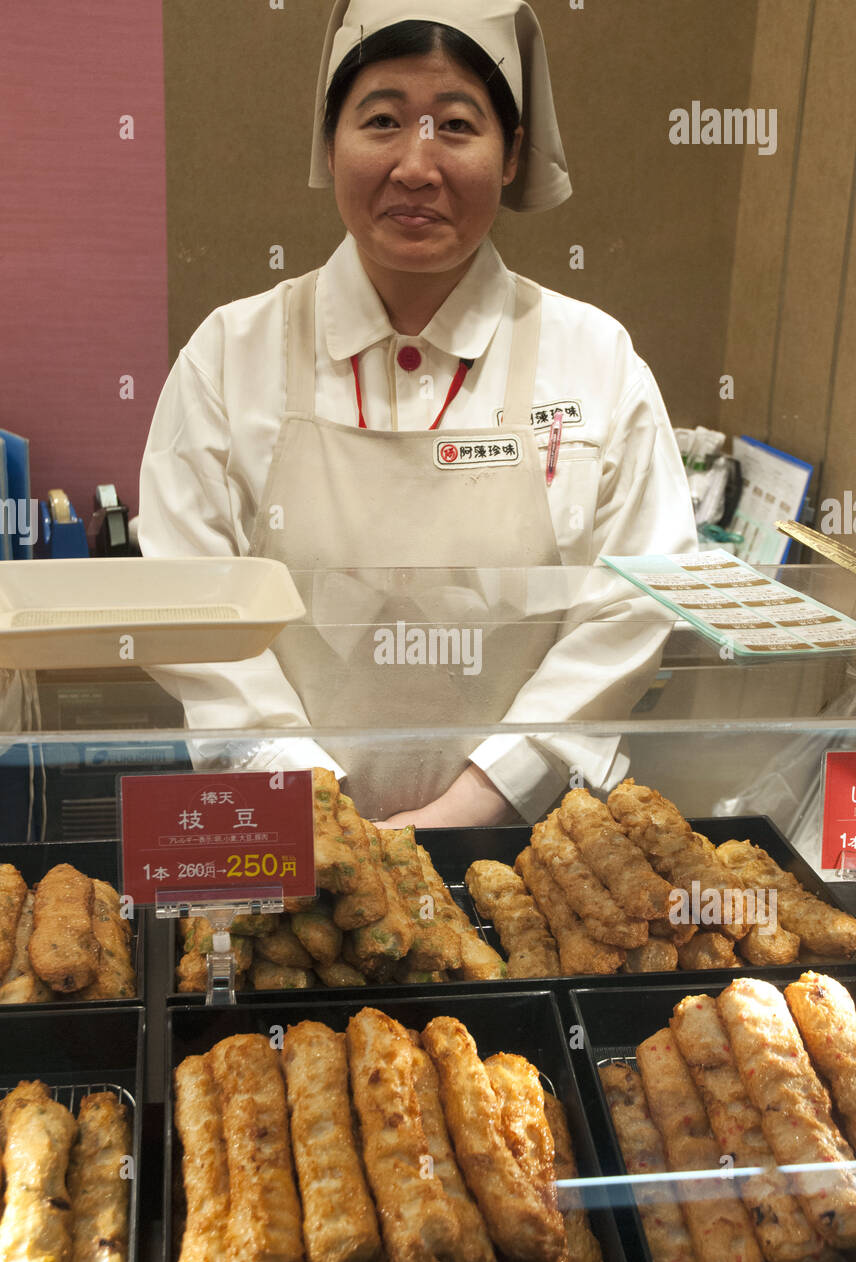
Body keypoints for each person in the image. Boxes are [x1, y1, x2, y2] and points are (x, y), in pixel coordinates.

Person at [138, 0, 696, 827]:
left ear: (510, 156)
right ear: (331, 144)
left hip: (528, 848)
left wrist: (477, 802)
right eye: (383, 120)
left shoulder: (594, 358)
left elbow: (641, 599)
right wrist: (320, 812)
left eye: (458, 125)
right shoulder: (229, 355)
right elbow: (188, 605)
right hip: (285, 838)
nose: (415, 165)